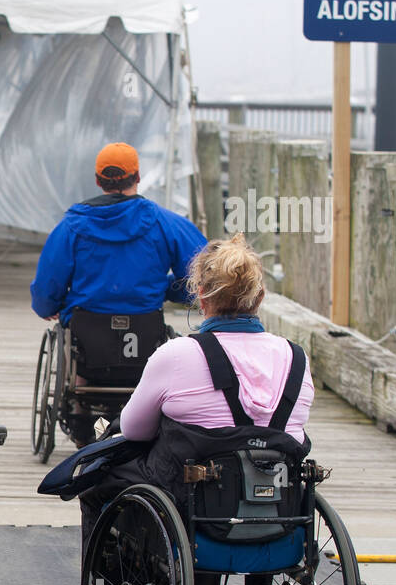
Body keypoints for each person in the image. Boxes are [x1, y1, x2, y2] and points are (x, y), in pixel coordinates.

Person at [76, 233, 315, 551]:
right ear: (260, 297)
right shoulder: (295, 357)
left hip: (192, 497)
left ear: (201, 296)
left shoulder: (178, 354)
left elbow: (134, 430)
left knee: (97, 481)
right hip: (278, 501)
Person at [30, 141, 207, 443]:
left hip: (87, 337)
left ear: (98, 180)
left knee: (76, 335)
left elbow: (47, 289)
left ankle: (80, 414)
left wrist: (48, 305)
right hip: (145, 334)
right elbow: (202, 277)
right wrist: (165, 289)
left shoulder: (73, 226)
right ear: (137, 177)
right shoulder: (166, 223)